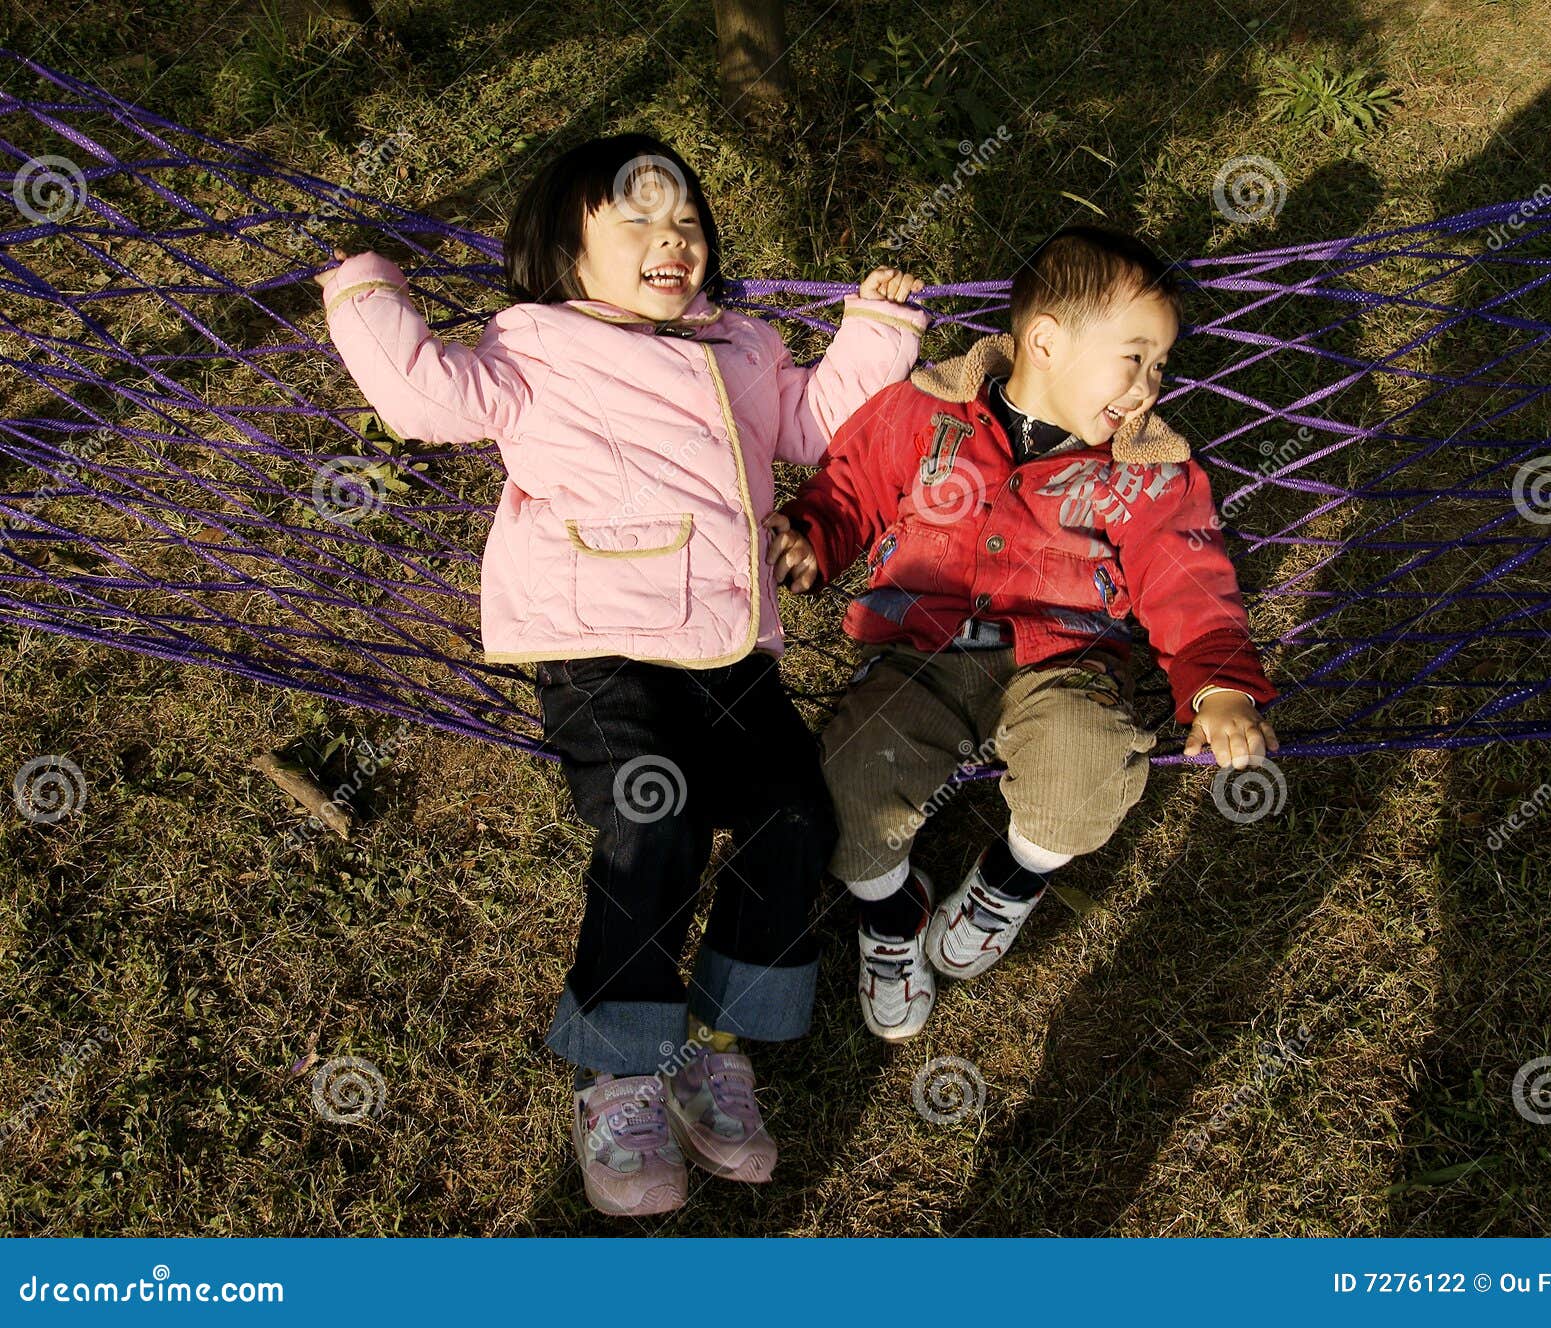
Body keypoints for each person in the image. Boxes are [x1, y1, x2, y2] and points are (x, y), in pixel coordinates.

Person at [314, 132, 927, 1214]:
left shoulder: (740, 343)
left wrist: (873, 331)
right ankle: (618, 1072)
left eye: (686, 223)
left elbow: (813, 423)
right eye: (636, 223)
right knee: (660, 814)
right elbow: (423, 402)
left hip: (727, 645)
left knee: (795, 808)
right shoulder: (535, 346)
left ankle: (712, 1041)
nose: (671, 242)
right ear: (564, 250)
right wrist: (367, 291)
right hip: (597, 642)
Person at [765, 223, 1278, 1042]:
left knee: (1085, 772)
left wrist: (1218, 684)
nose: (1147, 386)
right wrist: (811, 534)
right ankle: (895, 911)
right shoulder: (928, 410)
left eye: (1159, 368)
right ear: (1044, 339)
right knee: (847, 795)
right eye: (1133, 358)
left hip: (1065, 659)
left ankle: (1010, 877)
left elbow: (1187, 581)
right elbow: (852, 488)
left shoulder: (1148, 470)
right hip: (919, 652)